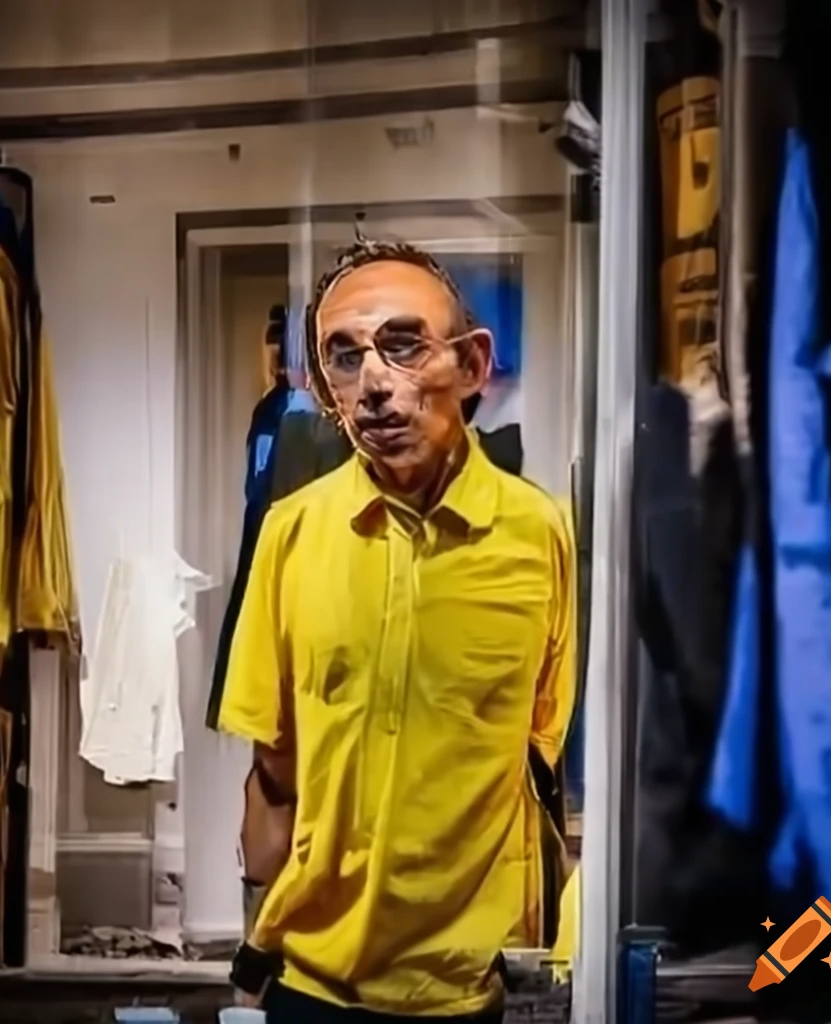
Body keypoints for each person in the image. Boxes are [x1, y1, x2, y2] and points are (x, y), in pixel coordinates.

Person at [219, 239, 575, 1022]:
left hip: (467, 994)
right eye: (344, 359)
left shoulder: (540, 535)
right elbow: (273, 776)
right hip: (310, 986)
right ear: (325, 395)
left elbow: (543, 759)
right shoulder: (291, 533)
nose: (374, 382)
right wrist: (250, 966)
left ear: (473, 366)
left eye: (404, 344)